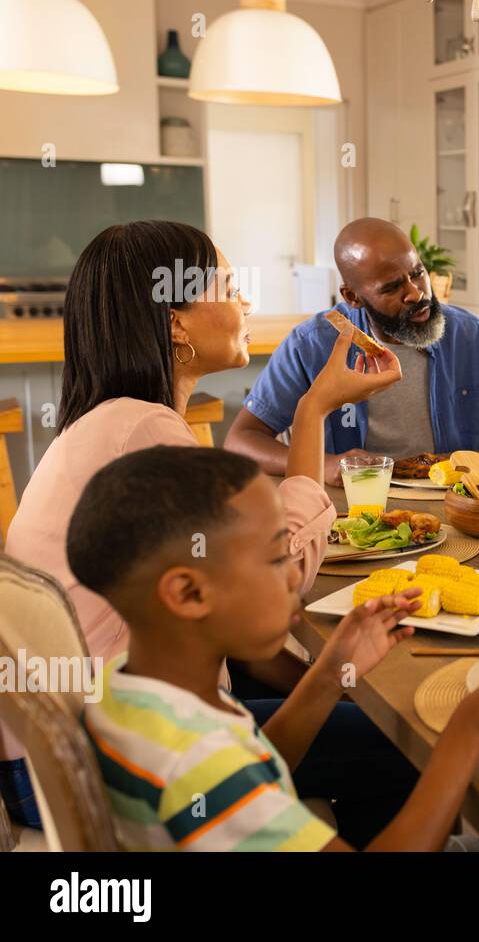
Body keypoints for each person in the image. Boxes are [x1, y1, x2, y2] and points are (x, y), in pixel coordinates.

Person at [0, 220, 402, 835]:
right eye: (230, 285)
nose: (246, 302)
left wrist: (326, 681)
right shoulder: (142, 430)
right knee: (398, 744)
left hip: (60, 743)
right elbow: (284, 569)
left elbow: (228, 611)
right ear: (175, 322)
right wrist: (315, 407)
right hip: (90, 762)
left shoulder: (110, 422)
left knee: (355, 712)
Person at [72, 446, 479, 850]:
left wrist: (328, 674)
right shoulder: (197, 765)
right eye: (278, 556)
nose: (298, 576)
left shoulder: (128, 690)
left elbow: (262, 762)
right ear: (188, 594)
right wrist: (466, 731)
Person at [225, 217, 479, 481]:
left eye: (418, 273)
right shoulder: (311, 345)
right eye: (392, 287)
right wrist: (326, 464)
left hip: (459, 504)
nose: (415, 293)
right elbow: (241, 441)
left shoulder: (470, 335)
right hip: (357, 511)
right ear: (352, 296)